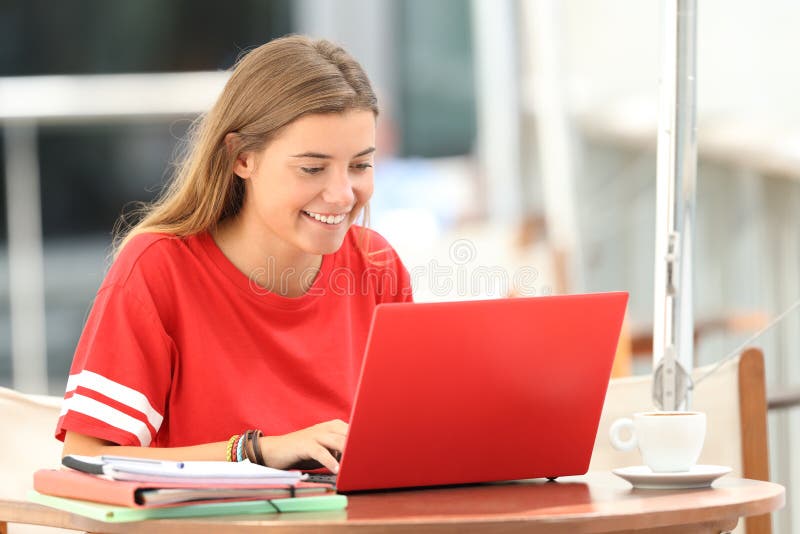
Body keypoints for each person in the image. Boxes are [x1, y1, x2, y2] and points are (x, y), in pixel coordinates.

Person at [57, 35, 413, 474]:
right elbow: (82, 460)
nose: (342, 194)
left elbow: (406, 441)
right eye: (312, 168)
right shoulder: (158, 269)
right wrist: (255, 452)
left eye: (360, 165)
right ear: (242, 158)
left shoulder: (377, 266)